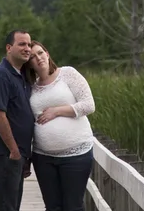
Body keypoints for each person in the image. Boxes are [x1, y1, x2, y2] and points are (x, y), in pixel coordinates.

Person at [25, 41, 96, 211]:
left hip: (76, 154)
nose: (39, 58)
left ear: (47, 54)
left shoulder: (68, 74)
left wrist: (56, 111)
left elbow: (89, 105)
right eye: (33, 57)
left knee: (73, 206)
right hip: (43, 157)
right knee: (52, 207)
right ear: (29, 64)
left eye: (41, 53)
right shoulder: (30, 86)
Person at [0, 29, 34, 211]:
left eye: (29, 44)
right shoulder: (1, 75)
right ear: (9, 48)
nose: (27, 48)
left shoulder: (20, 75)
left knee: (12, 205)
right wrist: (14, 150)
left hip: (16, 153)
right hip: (5, 153)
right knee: (5, 206)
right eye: (22, 44)